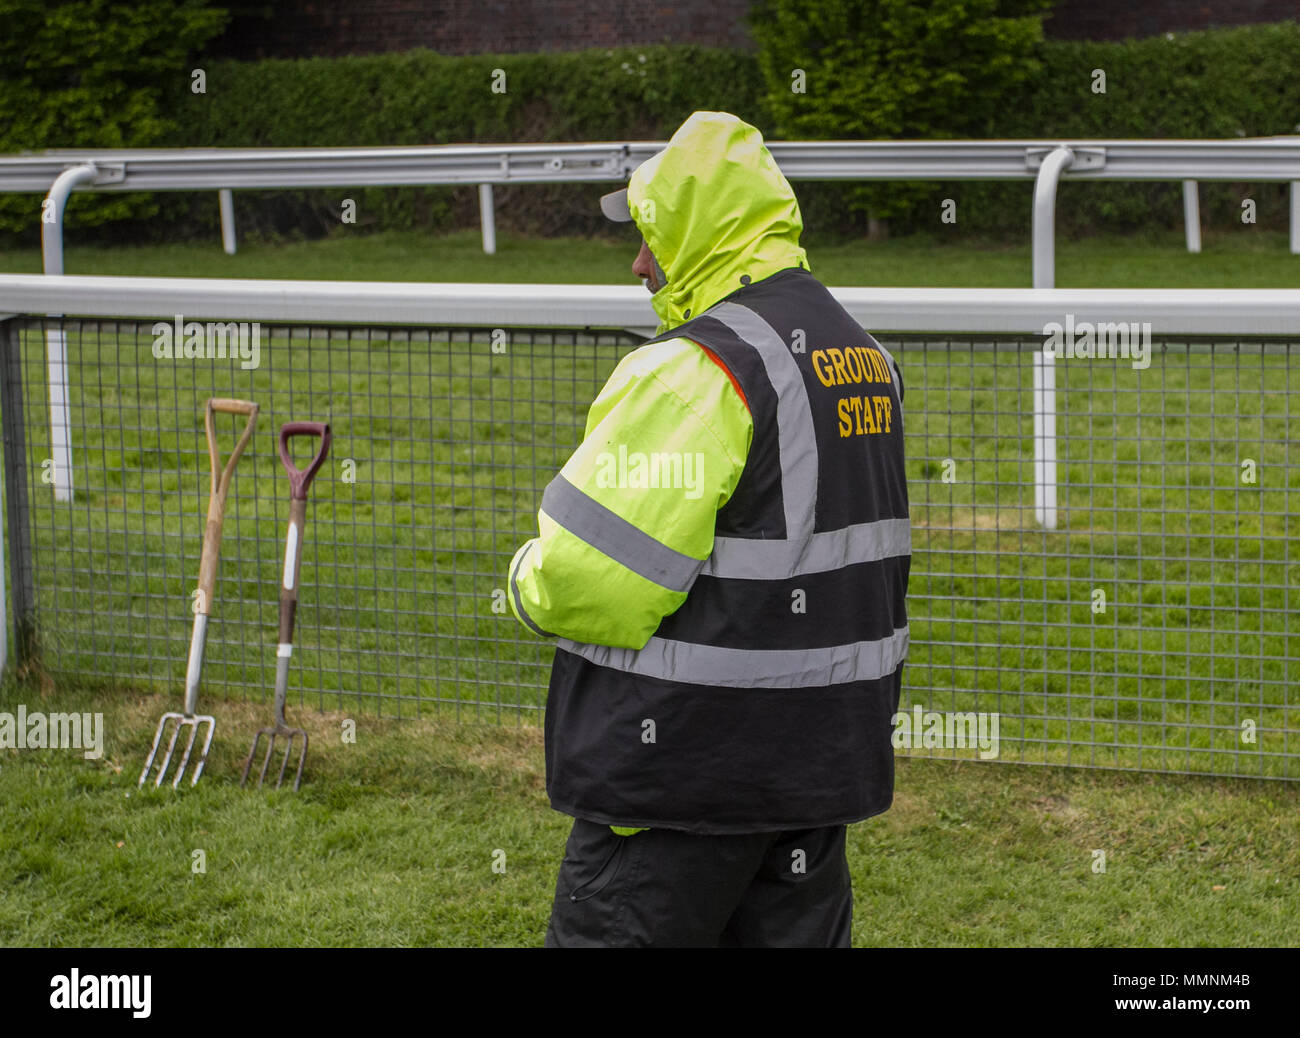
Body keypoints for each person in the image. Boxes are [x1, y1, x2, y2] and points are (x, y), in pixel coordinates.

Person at [507, 110, 910, 947]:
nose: (639, 262)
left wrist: (523, 580)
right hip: (815, 773)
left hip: (679, 779)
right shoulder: (863, 356)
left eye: (650, 235)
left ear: (698, 228)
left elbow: (588, 583)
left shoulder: (697, 369)